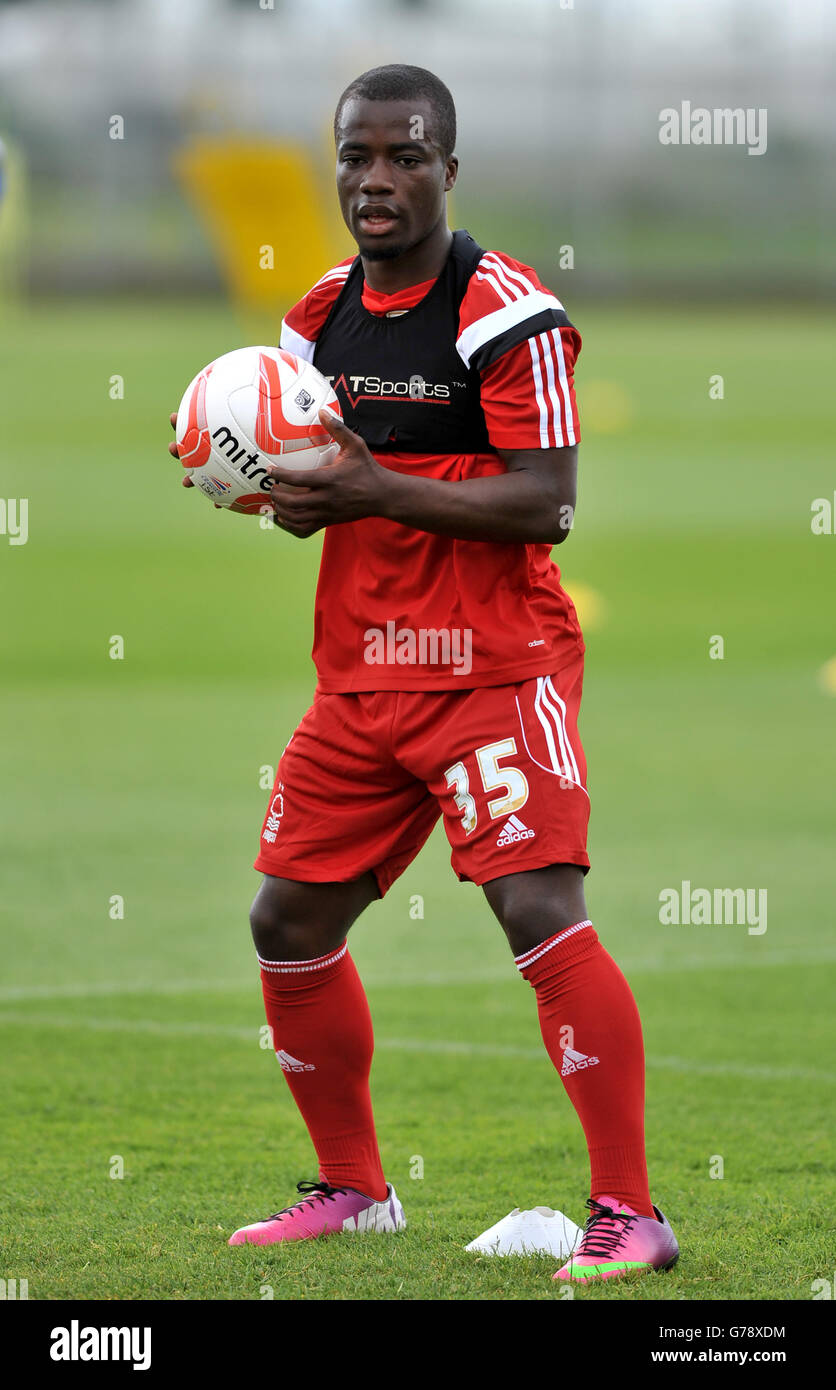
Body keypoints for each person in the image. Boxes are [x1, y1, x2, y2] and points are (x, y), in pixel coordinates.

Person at [169, 64, 678, 1283]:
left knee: (538, 909)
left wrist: (365, 488)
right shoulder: (313, 319)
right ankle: (354, 1189)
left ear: (449, 169)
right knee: (286, 920)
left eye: (404, 156)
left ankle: (631, 1213)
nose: (376, 179)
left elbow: (545, 505)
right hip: (359, 679)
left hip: (494, 672)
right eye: (356, 156)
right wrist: (285, 501)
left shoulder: (506, 313)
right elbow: (319, 480)